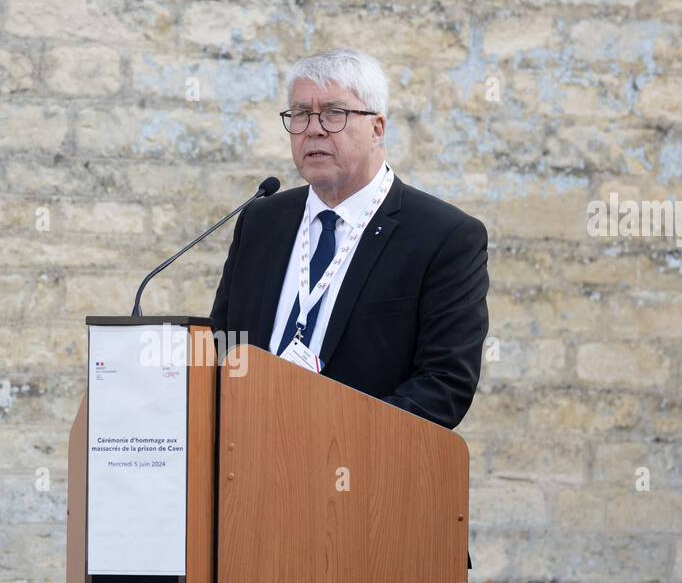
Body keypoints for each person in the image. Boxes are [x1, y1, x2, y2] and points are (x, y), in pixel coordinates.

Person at [210, 48, 489, 433]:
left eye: (334, 113)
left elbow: (445, 382)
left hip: (359, 472)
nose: (314, 128)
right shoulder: (261, 219)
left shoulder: (443, 236)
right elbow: (224, 341)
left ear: (378, 128)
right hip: (248, 458)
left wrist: (336, 437)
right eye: (301, 113)